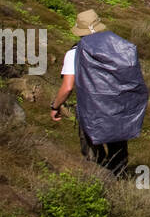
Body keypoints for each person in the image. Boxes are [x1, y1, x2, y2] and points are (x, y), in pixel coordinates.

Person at [50, 10, 134, 179]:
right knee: (118, 155)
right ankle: (120, 185)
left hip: (90, 111)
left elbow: (67, 87)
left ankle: (101, 187)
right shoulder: (115, 49)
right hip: (116, 108)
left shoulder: (74, 53)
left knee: (92, 156)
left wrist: (55, 106)